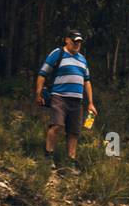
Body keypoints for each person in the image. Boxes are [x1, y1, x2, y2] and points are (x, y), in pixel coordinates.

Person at [36, 30, 96, 165]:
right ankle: (48, 155)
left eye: (79, 42)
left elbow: (87, 81)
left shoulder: (82, 59)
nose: (77, 44)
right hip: (59, 97)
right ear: (67, 40)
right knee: (57, 125)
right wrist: (38, 93)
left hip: (77, 101)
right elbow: (42, 73)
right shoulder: (58, 53)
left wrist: (91, 103)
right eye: (74, 41)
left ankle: (70, 161)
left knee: (74, 132)